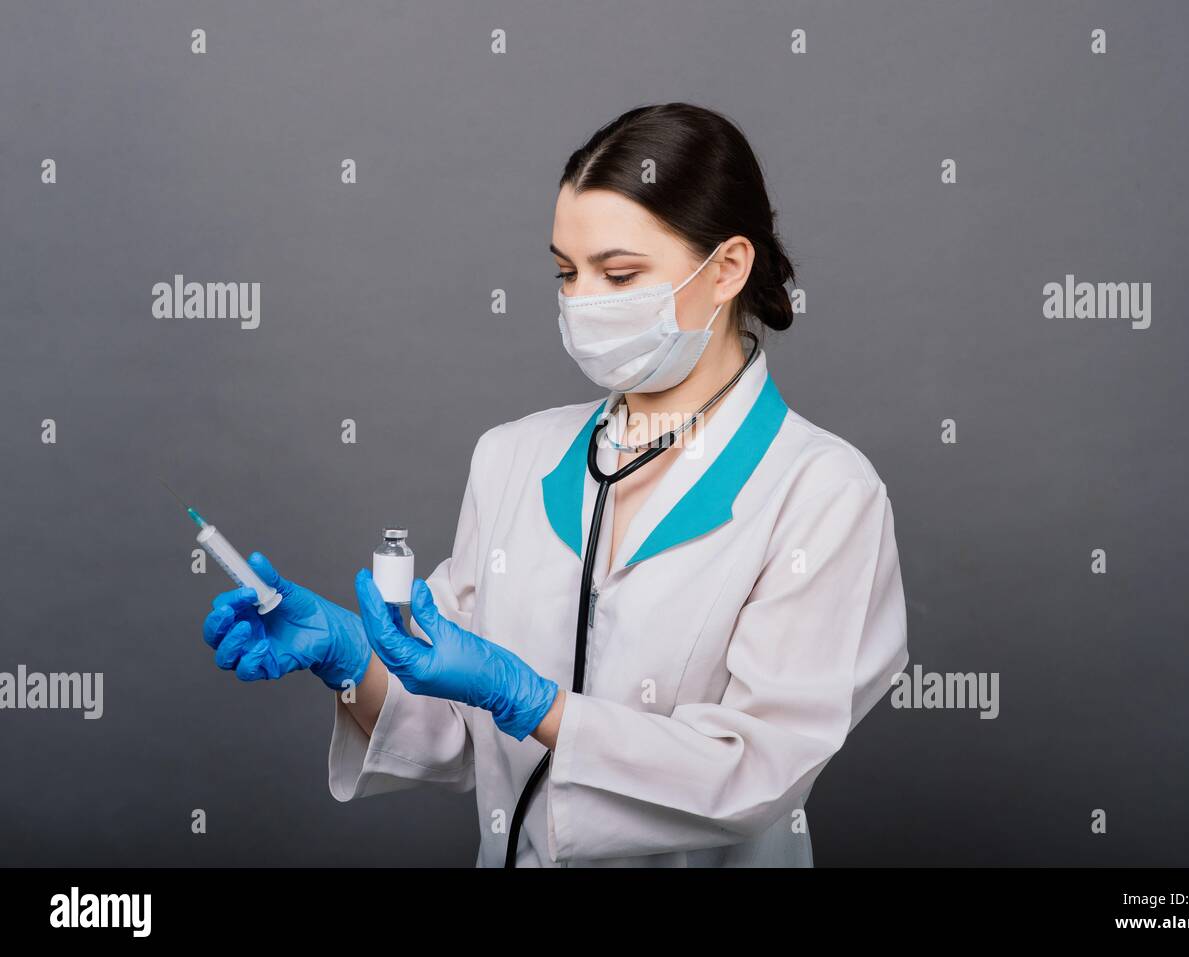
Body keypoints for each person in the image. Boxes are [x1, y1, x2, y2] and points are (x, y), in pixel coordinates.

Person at [202, 102, 908, 867]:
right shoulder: (513, 458)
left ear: (728, 268)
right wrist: (349, 659)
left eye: (621, 273)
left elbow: (755, 775)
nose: (584, 302)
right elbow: (457, 732)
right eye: (567, 273)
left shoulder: (823, 494)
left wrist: (538, 704)